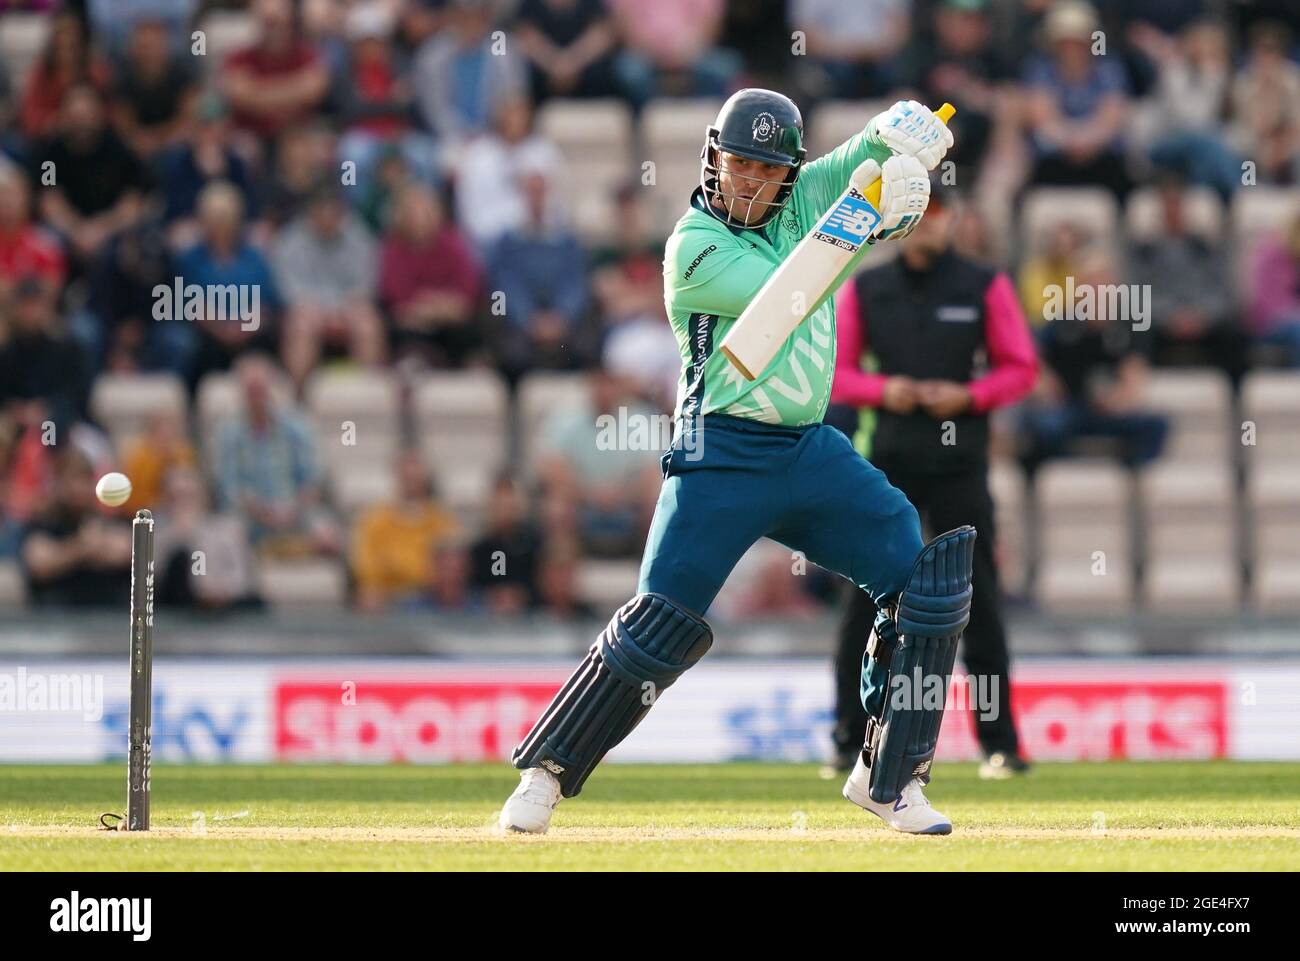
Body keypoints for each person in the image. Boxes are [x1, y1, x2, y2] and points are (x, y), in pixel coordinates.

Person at [499, 92, 968, 836]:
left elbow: (861, 160)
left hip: (808, 448)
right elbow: (789, 296)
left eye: (766, 167)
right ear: (713, 159)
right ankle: (546, 773)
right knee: (657, 624)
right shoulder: (692, 246)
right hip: (721, 450)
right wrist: (876, 220)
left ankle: (892, 776)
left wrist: (897, 134)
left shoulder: (802, 195)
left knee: (921, 576)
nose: (749, 180)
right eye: (738, 162)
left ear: (788, 173)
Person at [830, 182, 1038, 778]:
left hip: (958, 465)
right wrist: (885, 391)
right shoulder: (868, 286)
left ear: (955, 220)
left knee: (980, 600)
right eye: (918, 216)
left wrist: (967, 396)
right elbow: (835, 374)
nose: (928, 225)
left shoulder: (983, 284)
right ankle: (848, 737)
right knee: (863, 598)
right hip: (887, 462)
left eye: (938, 215)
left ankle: (1000, 744)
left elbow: (1020, 368)